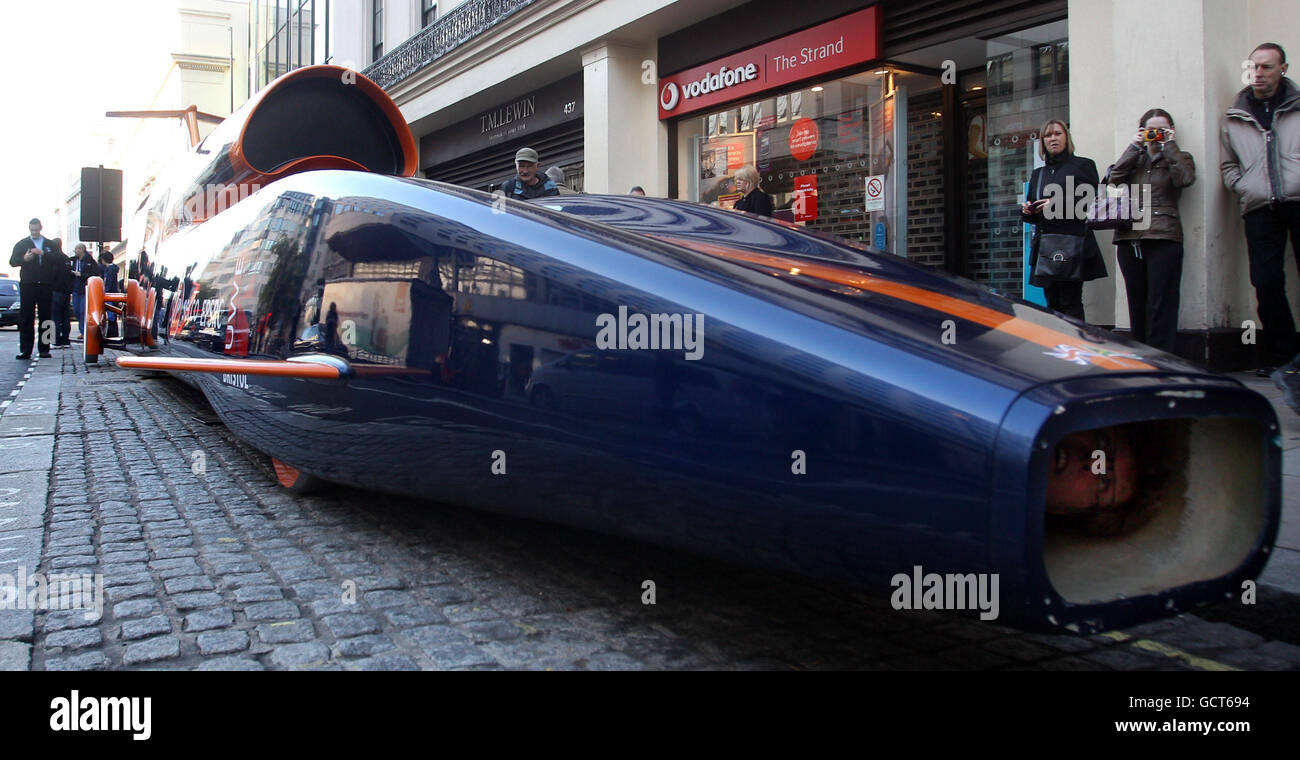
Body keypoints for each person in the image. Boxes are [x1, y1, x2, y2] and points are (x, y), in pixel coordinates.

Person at [1221, 42, 1300, 376]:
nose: (1259, 73)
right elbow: (1227, 166)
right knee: (1266, 282)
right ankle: (1283, 359)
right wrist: (1243, 185)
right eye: (1254, 66)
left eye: (1267, 67)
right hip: (1258, 207)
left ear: (1283, 68)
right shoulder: (1235, 116)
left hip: (1298, 201)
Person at [1110, 108, 1196, 353]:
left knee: (1161, 302)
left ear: (1170, 131)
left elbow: (1185, 179)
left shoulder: (1180, 156)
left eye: (1161, 130)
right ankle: (1141, 356)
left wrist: (1170, 146)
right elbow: (1114, 179)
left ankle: (1161, 357)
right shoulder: (1134, 159)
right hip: (1130, 238)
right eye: (1151, 130)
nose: (1155, 135)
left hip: (1164, 236)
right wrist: (1134, 146)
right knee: (1137, 302)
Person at [1021, 119, 1108, 320]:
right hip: (1045, 246)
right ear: (1042, 141)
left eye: (1057, 134)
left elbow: (1092, 199)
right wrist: (1028, 211)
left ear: (1066, 137)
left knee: (1071, 303)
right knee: (1051, 305)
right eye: (1048, 135)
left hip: (1072, 244)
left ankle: (1075, 349)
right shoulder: (1038, 174)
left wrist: (1055, 203)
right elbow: (1032, 210)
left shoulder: (1083, 165)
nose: (1053, 138)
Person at [9, 218, 57, 359]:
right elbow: (12, 261)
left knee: (46, 316)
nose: (34, 232)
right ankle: (25, 349)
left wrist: (43, 254)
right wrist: (24, 259)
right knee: (26, 317)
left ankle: (45, 349)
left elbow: (59, 259)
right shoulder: (22, 243)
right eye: (32, 230)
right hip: (28, 284)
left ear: (41, 228)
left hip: (45, 284)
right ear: (29, 229)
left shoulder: (50, 244)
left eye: (36, 230)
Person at [69, 243, 101, 340]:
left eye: (77, 249)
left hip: (84, 289)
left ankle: (85, 332)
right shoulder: (74, 261)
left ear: (82, 249)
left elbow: (95, 274)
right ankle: (82, 331)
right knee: (76, 311)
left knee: (83, 311)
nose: (75, 251)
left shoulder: (89, 261)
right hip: (75, 289)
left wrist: (81, 274)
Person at [49, 240, 73, 347]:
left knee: (54, 316)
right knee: (65, 316)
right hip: (66, 291)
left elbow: (52, 274)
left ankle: (55, 340)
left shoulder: (53, 259)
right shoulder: (66, 258)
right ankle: (65, 339)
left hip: (55, 290)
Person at [99, 250, 119, 338]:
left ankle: (112, 333)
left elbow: (109, 283)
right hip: (112, 293)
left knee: (111, 315)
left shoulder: (110, 270)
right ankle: (112, 333)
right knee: (111, 315)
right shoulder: (112, 269)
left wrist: (105, 292)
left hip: (110, 294)